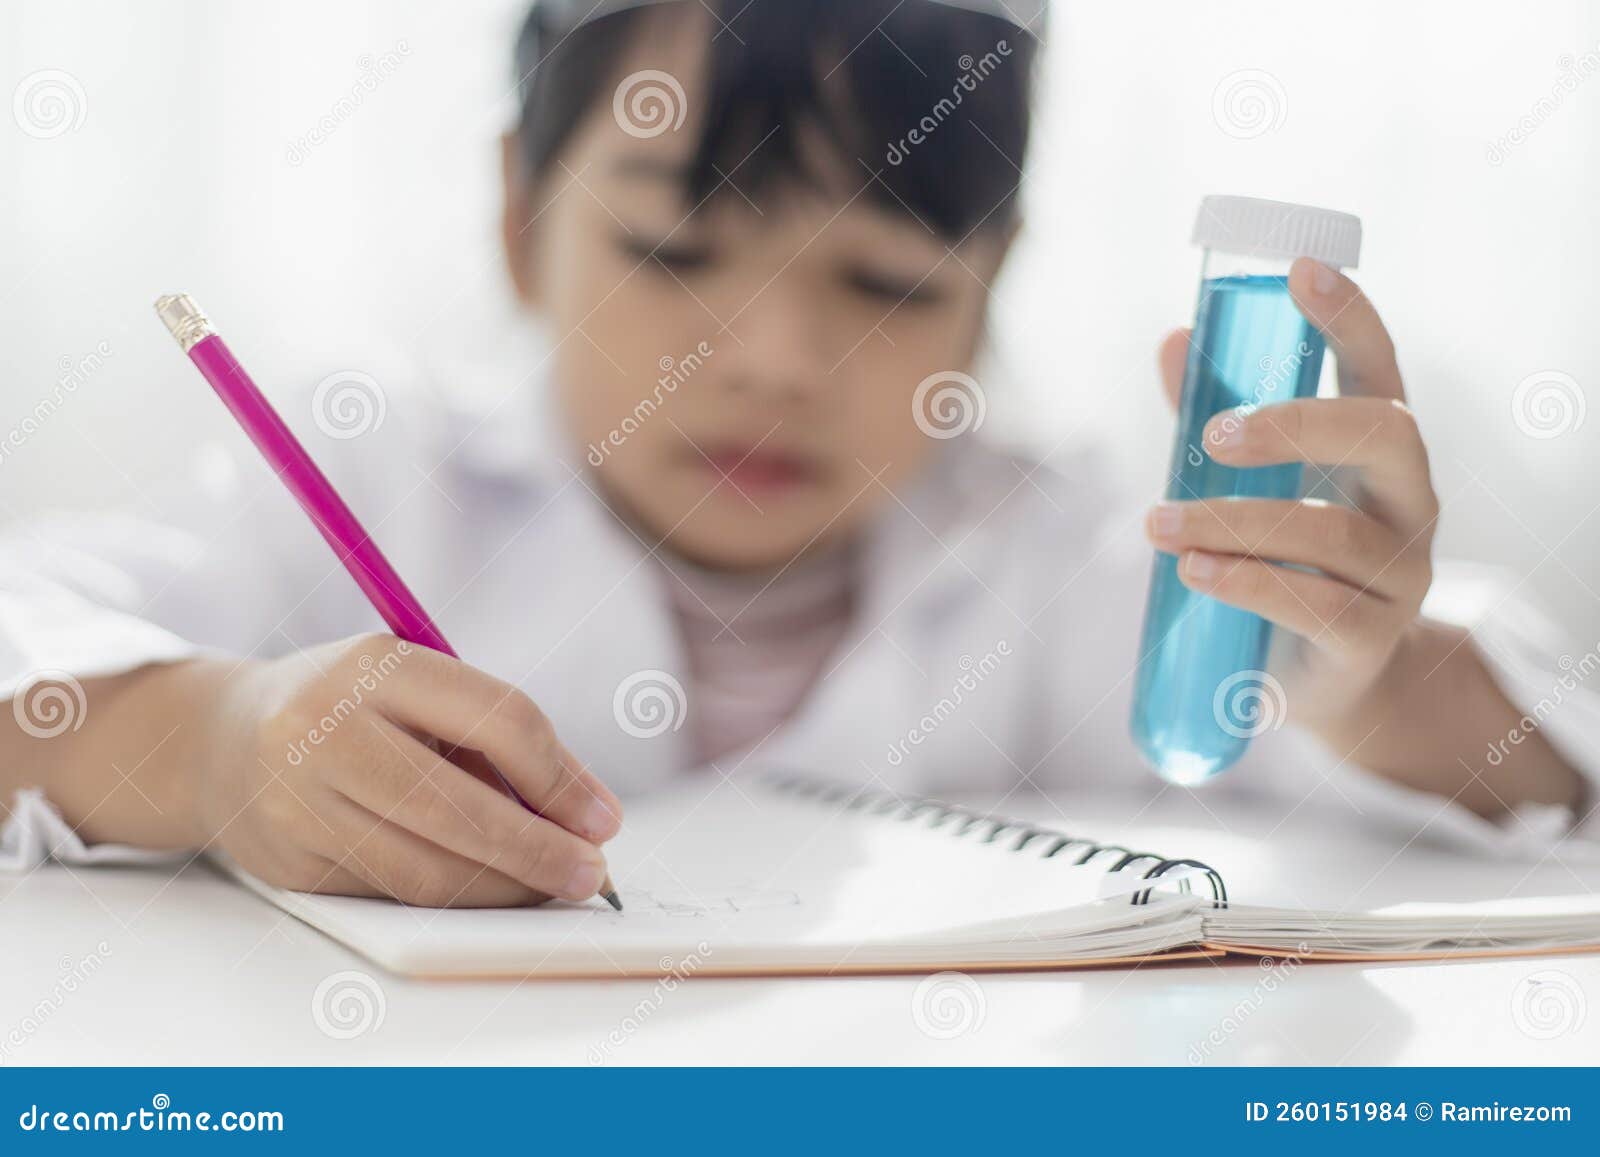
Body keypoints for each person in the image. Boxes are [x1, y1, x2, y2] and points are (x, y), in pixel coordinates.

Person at [1, 0, 1593, 907]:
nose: (773, 360)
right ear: (514, 215)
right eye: (677, 253)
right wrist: (213, 742)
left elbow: (1542, 770)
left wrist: (1379, 680)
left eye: (888, 285)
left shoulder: (1077, 550)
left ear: (991, 290)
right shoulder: (373, 483)